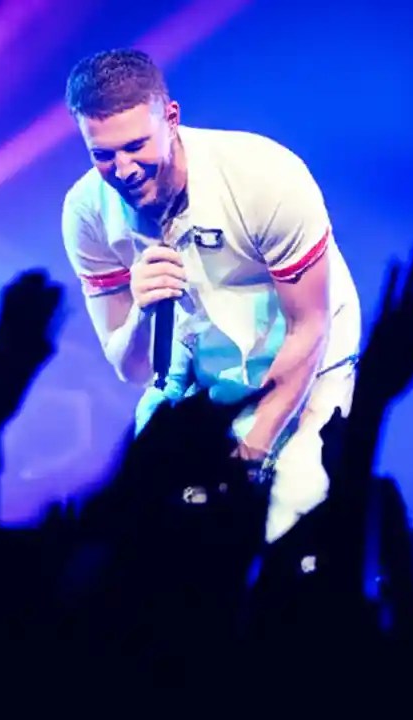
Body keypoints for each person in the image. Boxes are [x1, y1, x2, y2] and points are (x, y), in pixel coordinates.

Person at [59, 48, 361, 541]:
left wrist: (251, 456)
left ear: (171, 118)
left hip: (305, 354)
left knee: (293, 505)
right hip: (197, 364)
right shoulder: (87, 214)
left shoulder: (263, 176)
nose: (124, 169)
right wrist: (139, 310)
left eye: (136, 146)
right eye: (103, 155)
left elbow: (311, 327)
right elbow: (134, 369)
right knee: (152, 517)